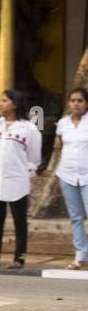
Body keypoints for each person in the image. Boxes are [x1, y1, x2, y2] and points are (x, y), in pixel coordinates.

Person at [0, 88, 41, 268]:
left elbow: (33, 158)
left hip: (17, 181)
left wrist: (27, 174)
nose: (1, 104)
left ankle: (19, 257)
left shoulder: (29, 128)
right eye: (1, 100)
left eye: (5, 100)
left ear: (15, 104)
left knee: (19, 221)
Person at [53, 87, 88, 269]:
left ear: (86, 104)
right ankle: (80, 256)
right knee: (75, 217)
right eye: (73, 100)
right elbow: (59, 149)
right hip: (66, 174)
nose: (76, 104)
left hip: (87, 175)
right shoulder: (62, 123)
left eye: (80, 101)